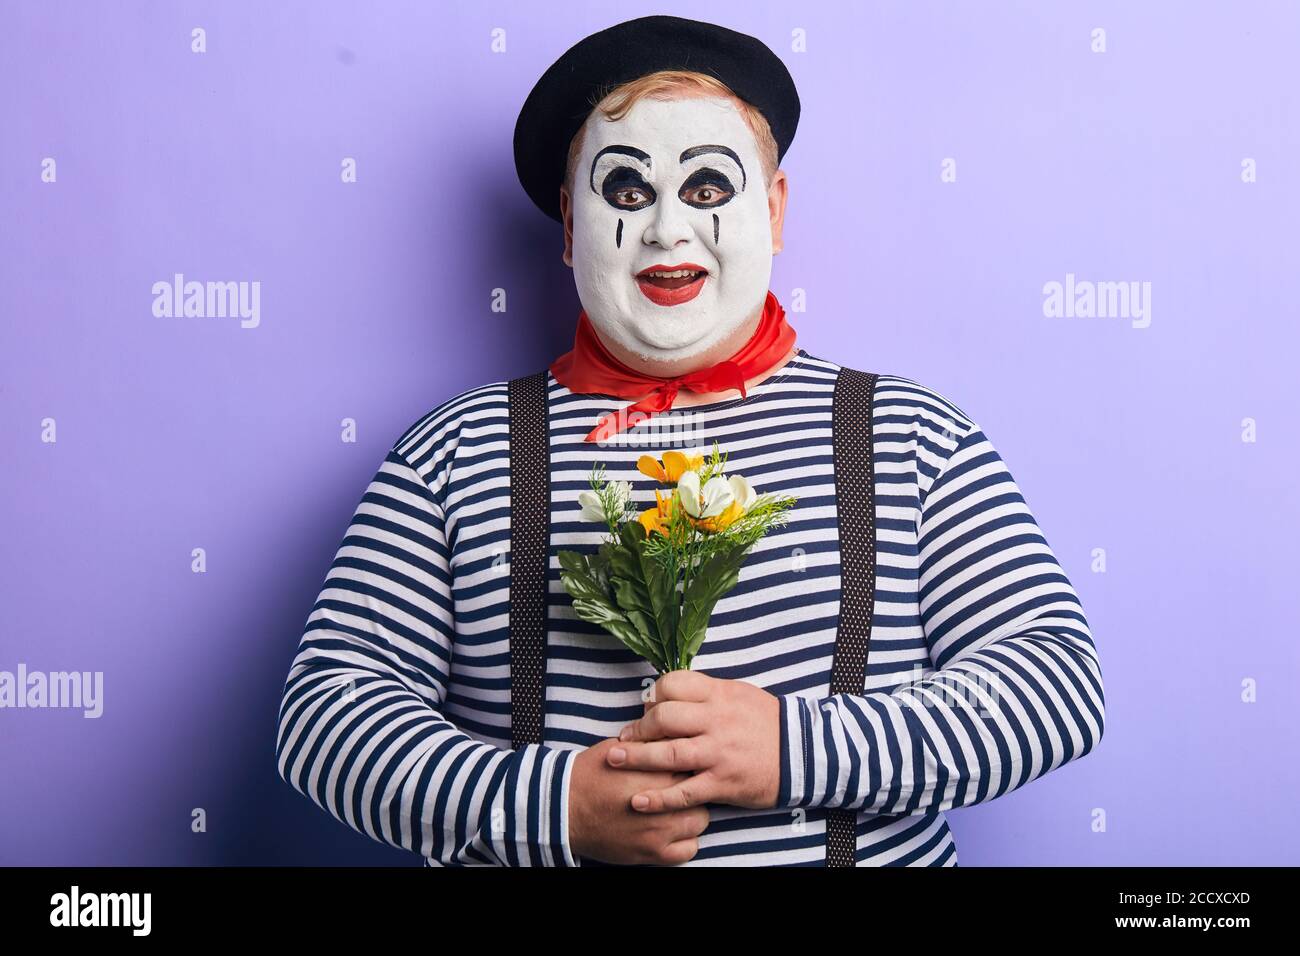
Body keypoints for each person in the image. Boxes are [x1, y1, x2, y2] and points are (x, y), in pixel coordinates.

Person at [275, 15, 1104, 866]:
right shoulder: (452, 453)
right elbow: (326, 719)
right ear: (569, 226)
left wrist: (796, 750)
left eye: (707, 188)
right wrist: (554, 807)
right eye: (627, 193)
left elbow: (1057, 683)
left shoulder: (913, 436)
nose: (669, 230)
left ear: (773, 209)